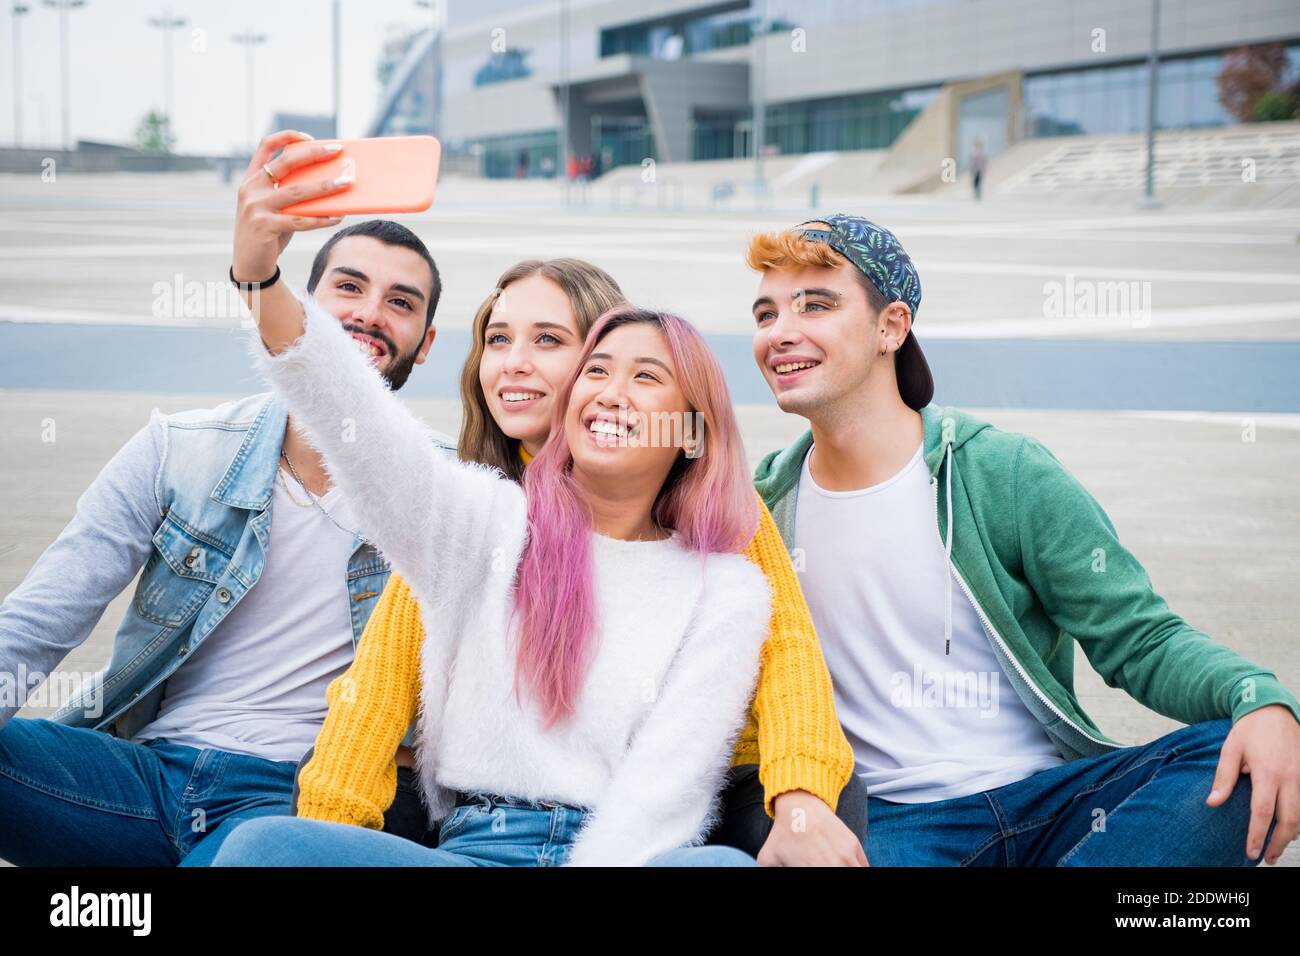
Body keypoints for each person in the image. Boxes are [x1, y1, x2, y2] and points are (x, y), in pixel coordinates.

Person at [207, 159, 780, 867]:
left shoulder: (727, 587)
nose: (610, 392)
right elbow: (366, 428)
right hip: (474, 849)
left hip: (618, 855)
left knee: (720, 868)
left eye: (646, 377)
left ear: (692, 425)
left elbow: (669, 787)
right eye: (597, 371)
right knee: (266, 847)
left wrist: (807, 797)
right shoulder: (485, 524)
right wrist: (262, 283)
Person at [745, 212, 1300, 866]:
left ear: (891, 326)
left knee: (1230, 758)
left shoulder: (1002, 472)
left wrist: (1257, 698)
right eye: (765, 314)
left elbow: (1137, 637)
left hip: (1053, 801)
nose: (781, 333)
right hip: (896, 828)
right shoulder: (762, 508)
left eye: (816, 304)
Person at [293, 257, 866, 866]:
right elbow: (377, 687)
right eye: (497, 338)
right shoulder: (480, 509)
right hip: (506, 807)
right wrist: (324, 839)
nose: (514, 361)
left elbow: (790, 658)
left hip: (713, 785)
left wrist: (801, 796)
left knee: (816, 807)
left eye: (547, 340)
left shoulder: (708, 505)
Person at [0, 131, 444, 866]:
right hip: (136, 776)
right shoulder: (179, 449)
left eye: (401, 302)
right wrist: (254, 266)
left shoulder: (441, 495)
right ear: (303, 303)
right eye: (348, 287)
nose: (369, 313)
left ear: (426, 342)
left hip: (286, 803)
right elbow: (41, 619)